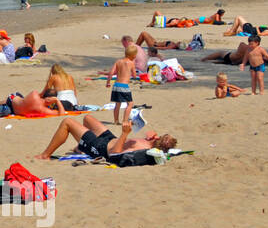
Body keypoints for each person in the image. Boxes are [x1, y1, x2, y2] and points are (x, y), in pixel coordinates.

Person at [36, 116, 177, 161]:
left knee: (67, 122)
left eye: (162, 137)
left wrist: (124, 134)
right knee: (87, 118)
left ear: (161, 144)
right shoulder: (151, 142)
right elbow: (152, 132)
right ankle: (80, 147)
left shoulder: (144, 148)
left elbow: (115, 154)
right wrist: (151, 136)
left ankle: (45, 155)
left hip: (101, 147)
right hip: (110, 138)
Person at [107, 45, 138, 125]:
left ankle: (116, 120)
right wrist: (134, 76)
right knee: (130, 104)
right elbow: (134, 75)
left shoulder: (118, 62)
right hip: (124, 86)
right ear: (134, 56)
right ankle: (125, 120)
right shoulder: (131, 63)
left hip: (116, 85)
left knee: (117, 104)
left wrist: (108, 82)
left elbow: (111, 72)